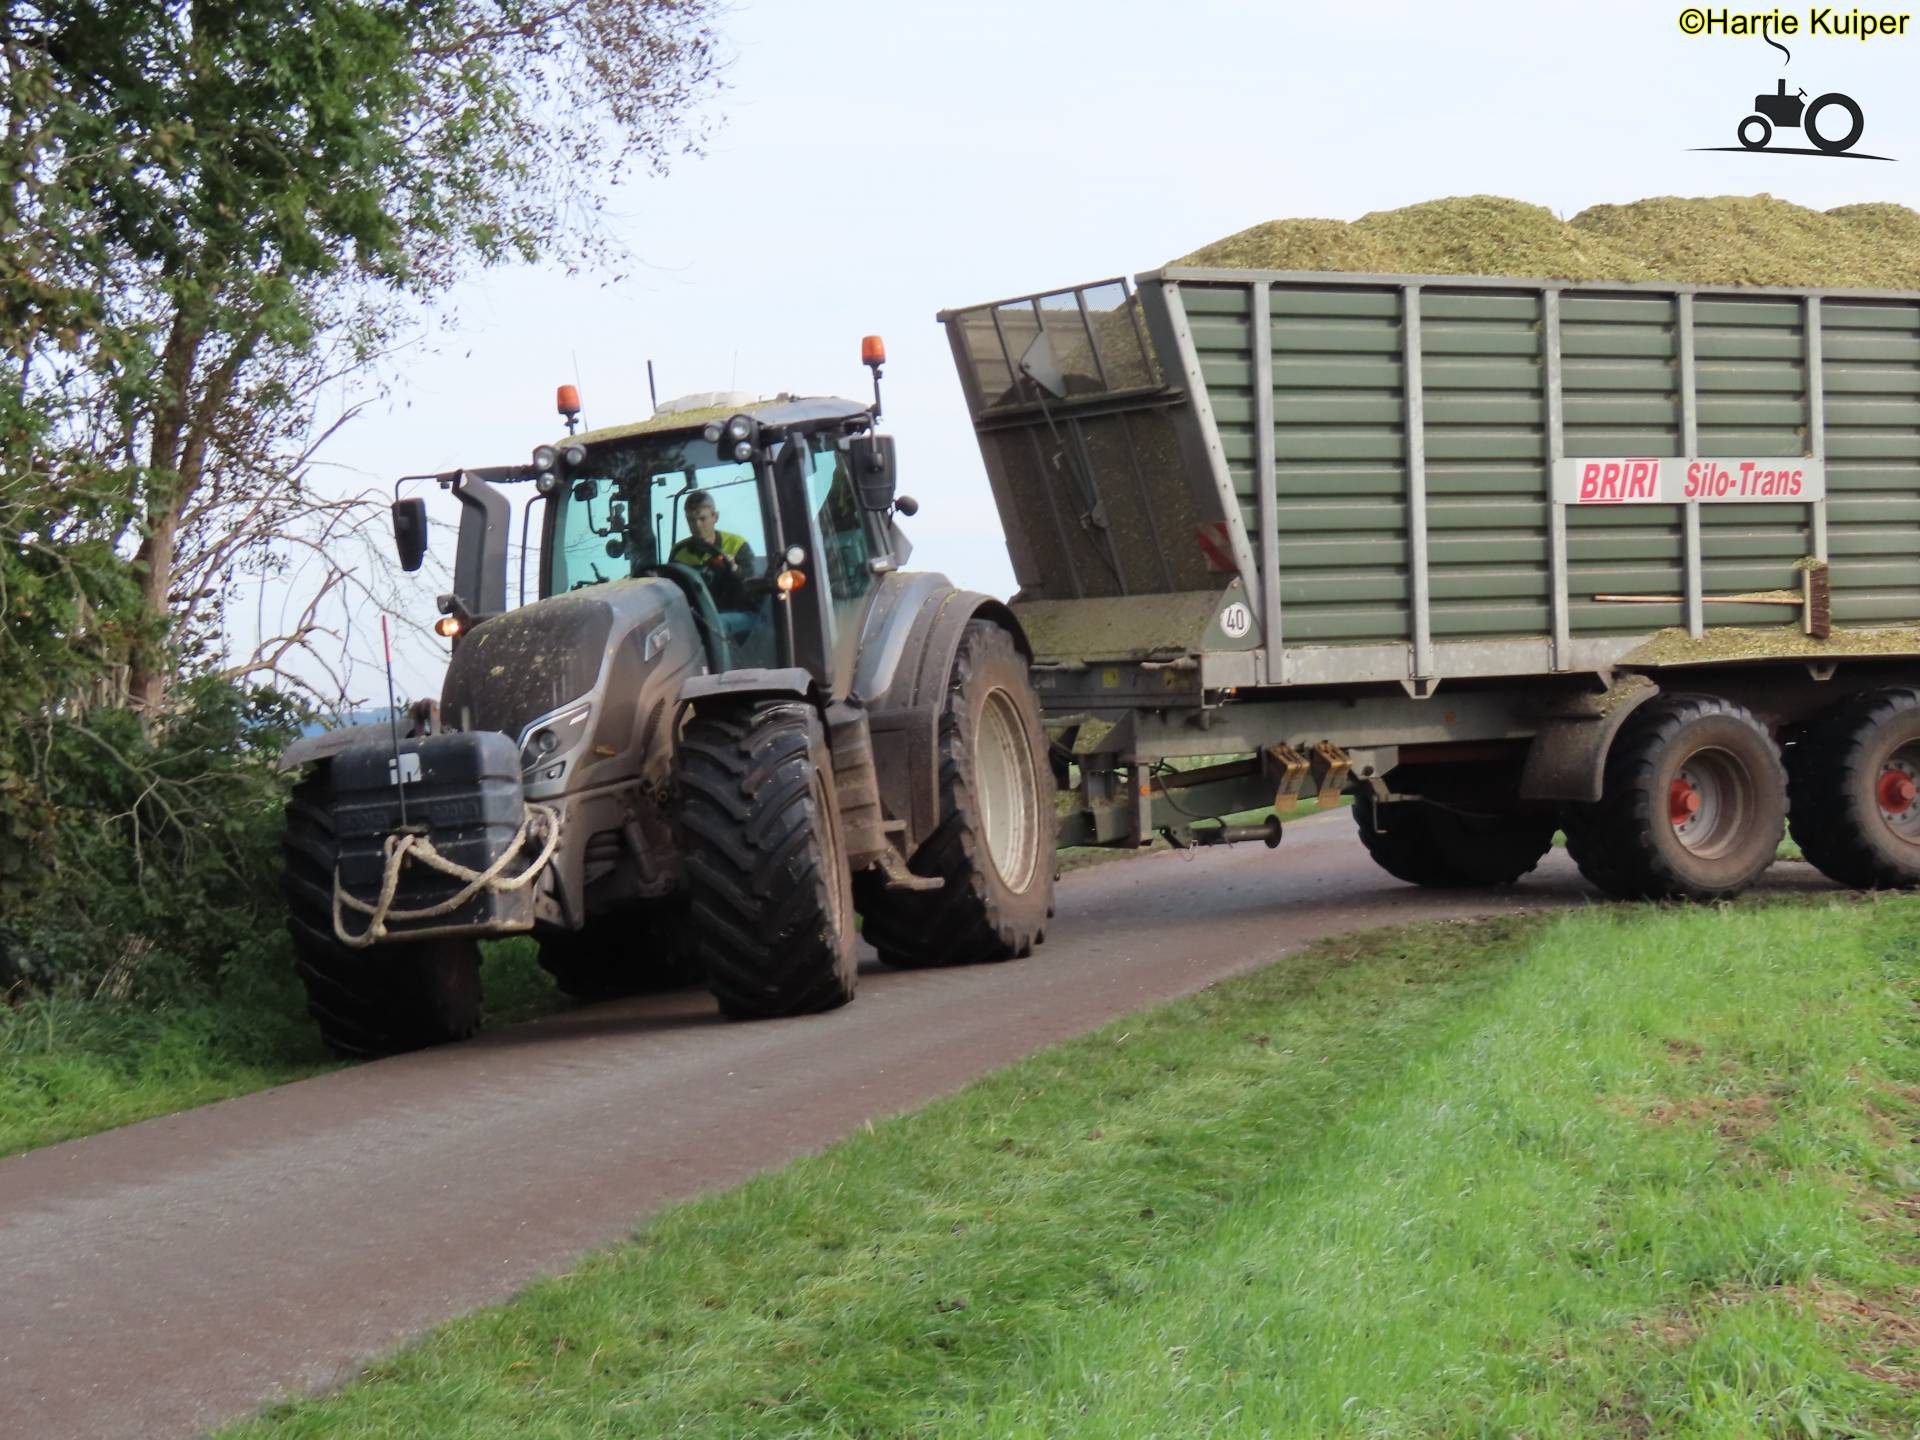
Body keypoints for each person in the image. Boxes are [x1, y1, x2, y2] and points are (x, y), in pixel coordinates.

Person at [668, 489, 758, 639]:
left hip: (739, 612)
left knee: (711, 625)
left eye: (702, 519)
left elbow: (751, 585)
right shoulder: (679, 551)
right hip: (699, 613)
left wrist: (734, 569)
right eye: (691, 520)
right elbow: (672, 588)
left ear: (715, 517)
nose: (697, 526)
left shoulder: (737, 545)